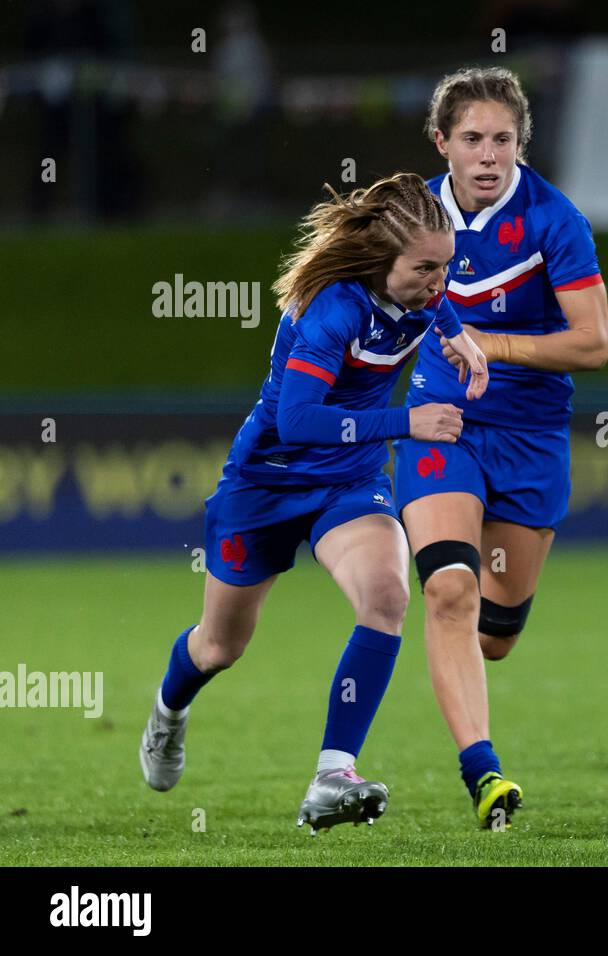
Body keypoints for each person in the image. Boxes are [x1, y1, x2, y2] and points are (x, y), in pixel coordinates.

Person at [139, 173, 487, 835]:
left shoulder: (420, 291)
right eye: (426, 269)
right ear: (381, 263)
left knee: (387, 595)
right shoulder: (334, 311)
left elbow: (432, 306)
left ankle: (333, 773)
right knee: (219, 646)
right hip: (265, 483)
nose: (440, 282)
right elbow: (298, 422)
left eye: (448, 267)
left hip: (349, 480)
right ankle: (168, 712)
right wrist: (405, 424)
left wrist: (459, 331)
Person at [394, 67, 608, 828]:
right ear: (441, 142)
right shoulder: (408, 218)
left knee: (495, 638)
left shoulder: (555, 220)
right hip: (442, 424)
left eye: (504, 140)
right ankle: (485, 774)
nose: (489, 155)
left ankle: (489, 620)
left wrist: (492, 345)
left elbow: (593, 343)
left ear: (523, 142)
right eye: (474, 139)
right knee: (449, 590)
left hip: (531, 438)